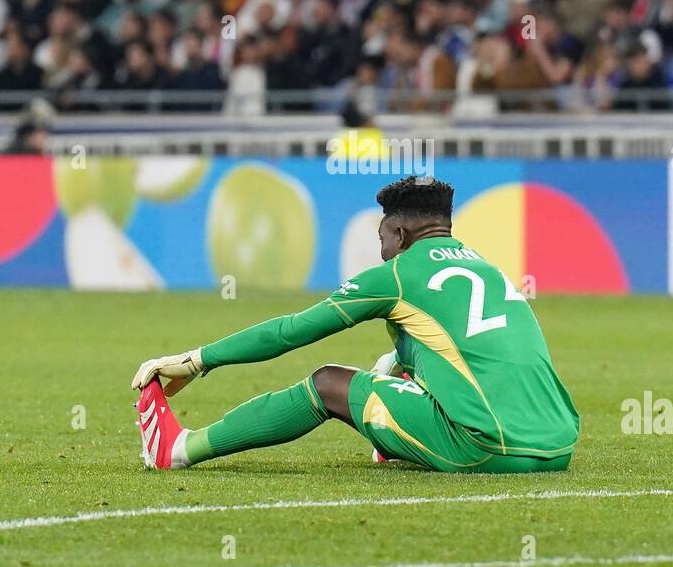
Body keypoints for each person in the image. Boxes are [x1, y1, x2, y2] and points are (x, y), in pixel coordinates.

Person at [131, 176, 580, 473]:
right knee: (399, 355)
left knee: (326, 383)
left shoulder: (397, 275)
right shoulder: (488, 269)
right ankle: (394, 441)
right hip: (556, 446)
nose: (381, 245)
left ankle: (180, 448)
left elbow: (290, 332)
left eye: (382, 235)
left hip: (489, 449)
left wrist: (196, 361)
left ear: (400, 235)